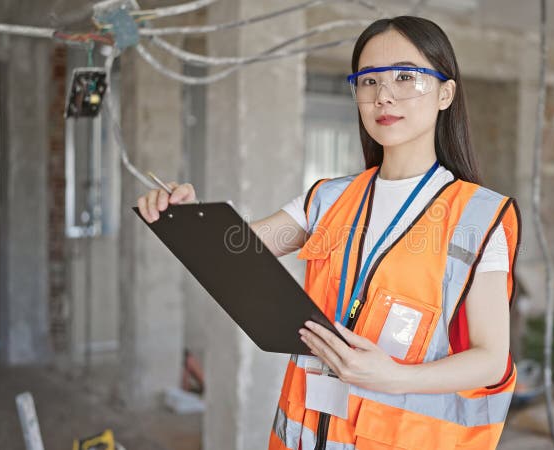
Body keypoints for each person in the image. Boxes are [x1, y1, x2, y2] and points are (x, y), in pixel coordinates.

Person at [137, 15, 520, 450]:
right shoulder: (327, 200)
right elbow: (234, 250)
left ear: (445, 94)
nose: (385, 96)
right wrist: (188, 219)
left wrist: (397, 377)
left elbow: (490, 360)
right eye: (369, 81)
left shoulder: (477, 215)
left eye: (406, 77)